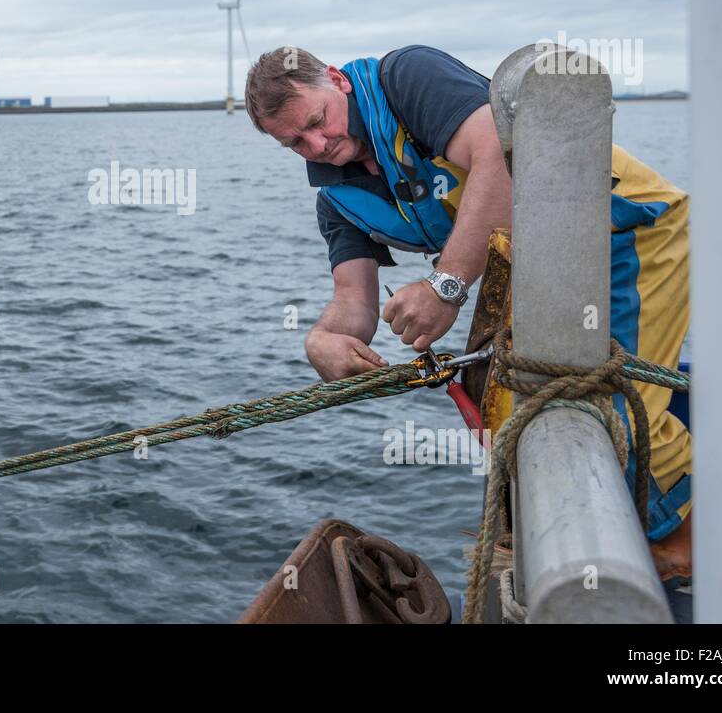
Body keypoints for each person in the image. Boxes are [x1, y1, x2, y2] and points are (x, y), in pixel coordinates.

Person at [243, 45, 692, 552]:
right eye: (296, 143)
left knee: (610, 409)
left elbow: (501, 159)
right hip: (546, 269)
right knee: (545, 407)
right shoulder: (337, 203)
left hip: (625, 233)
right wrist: (325, 338)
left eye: (318, 121)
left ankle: (684, 548)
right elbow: (354, 301)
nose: (318, 144)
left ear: (336, 79)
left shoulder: (408, 77)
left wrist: (445, 286)